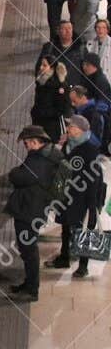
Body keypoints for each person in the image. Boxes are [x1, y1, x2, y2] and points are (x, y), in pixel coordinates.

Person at [5, 124, 63, 301]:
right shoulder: (48, 154)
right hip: (35, 207)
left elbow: (20, 177)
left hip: (29, 210)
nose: (26, 146)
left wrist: (14, 172)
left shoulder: (38, 160)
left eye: (26, 143)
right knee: (28, 249)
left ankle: (32, 290)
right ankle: (29, 283)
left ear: (35, 142)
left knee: (28, 250)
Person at [53, 114, 106, 280]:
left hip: (83, 197)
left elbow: (94, 178)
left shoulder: (90, 149)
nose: (68, 129)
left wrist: (92, 205)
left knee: (83, 229)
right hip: (67, 194)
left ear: (81, 130)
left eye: (72, 127)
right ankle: (64, 257)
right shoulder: (68, 145)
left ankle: (83, 266)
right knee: (66, 227)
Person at [34, 58, 71, 132]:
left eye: (44, 65)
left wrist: (46, 114)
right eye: (41, 64)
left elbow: (63, 108)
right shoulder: (41, 82)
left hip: (52, 125)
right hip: (39, 121)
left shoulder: (59, 86)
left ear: (52, 68)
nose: (41, 67)